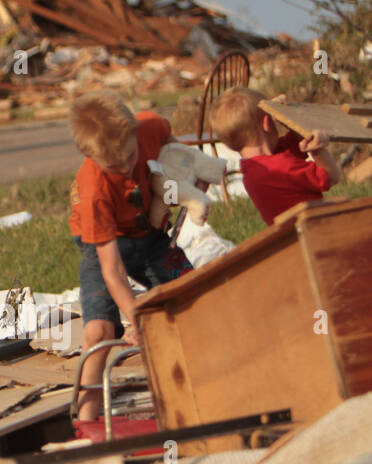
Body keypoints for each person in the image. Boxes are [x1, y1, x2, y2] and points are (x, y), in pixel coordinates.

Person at [68, 91, 180, 421]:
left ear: (133, 131)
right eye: (113, 166)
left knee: (191, 299)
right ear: (91, 156)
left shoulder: (148, 127)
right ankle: (86, 423)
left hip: (148, 233)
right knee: (99, 332)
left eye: (131, 157)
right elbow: (112, 270)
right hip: (103, 242)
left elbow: (173, 146)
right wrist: (136, 318)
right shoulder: (93, 191)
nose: (127, 167)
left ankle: (197, 392)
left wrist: (182, 174)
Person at [210, 87, 343, 225]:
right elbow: (332, 177)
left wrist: (285, 115)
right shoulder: (281, 167)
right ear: (267, 124)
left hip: (291, 239)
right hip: (316, 231)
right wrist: (318, 151)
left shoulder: (255, 169)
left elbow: (293, 144)